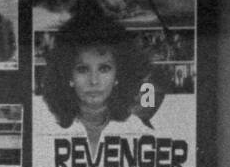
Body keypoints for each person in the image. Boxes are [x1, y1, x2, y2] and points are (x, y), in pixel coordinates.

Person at [40, 16, 150, 154]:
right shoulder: (45, 124)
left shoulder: (137, 126)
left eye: (104, 69)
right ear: (68, 75)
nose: (94, 81)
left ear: (119, 74)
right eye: (82, 69)